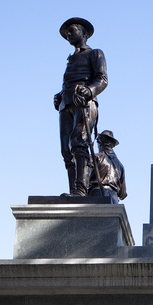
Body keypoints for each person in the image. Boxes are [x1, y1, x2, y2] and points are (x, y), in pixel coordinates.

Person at [54, 17, 107, 196]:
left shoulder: (95, 53)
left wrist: (89, 91)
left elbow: (102, 79)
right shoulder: (70, 59)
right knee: (66, 150)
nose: (69, 34)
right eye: (67, 32)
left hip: (85, 103)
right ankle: (73, 190)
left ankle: (81, 190)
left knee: (79, 142)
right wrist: (60, 96)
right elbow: (67, 82)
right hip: (66, 104)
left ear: (84, 34)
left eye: (73, 30)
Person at [89, 130, 127, 202]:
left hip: (96, 196)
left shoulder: (95, 158)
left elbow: (83, 180)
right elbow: (122, 194)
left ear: (100, 143)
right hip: (114, 199)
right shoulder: (120, 166)